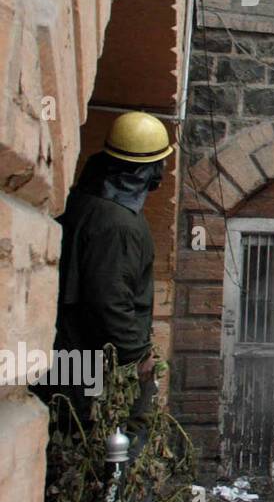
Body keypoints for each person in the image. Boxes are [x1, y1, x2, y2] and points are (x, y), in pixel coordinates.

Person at [40, 112, 174, 456]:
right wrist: (137, 355)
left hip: (68, 352)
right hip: (95, 360)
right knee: (111, 448)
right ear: (149, 170)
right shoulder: (118, 225)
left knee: (72, 441)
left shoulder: (83, 200)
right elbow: (108, 299)